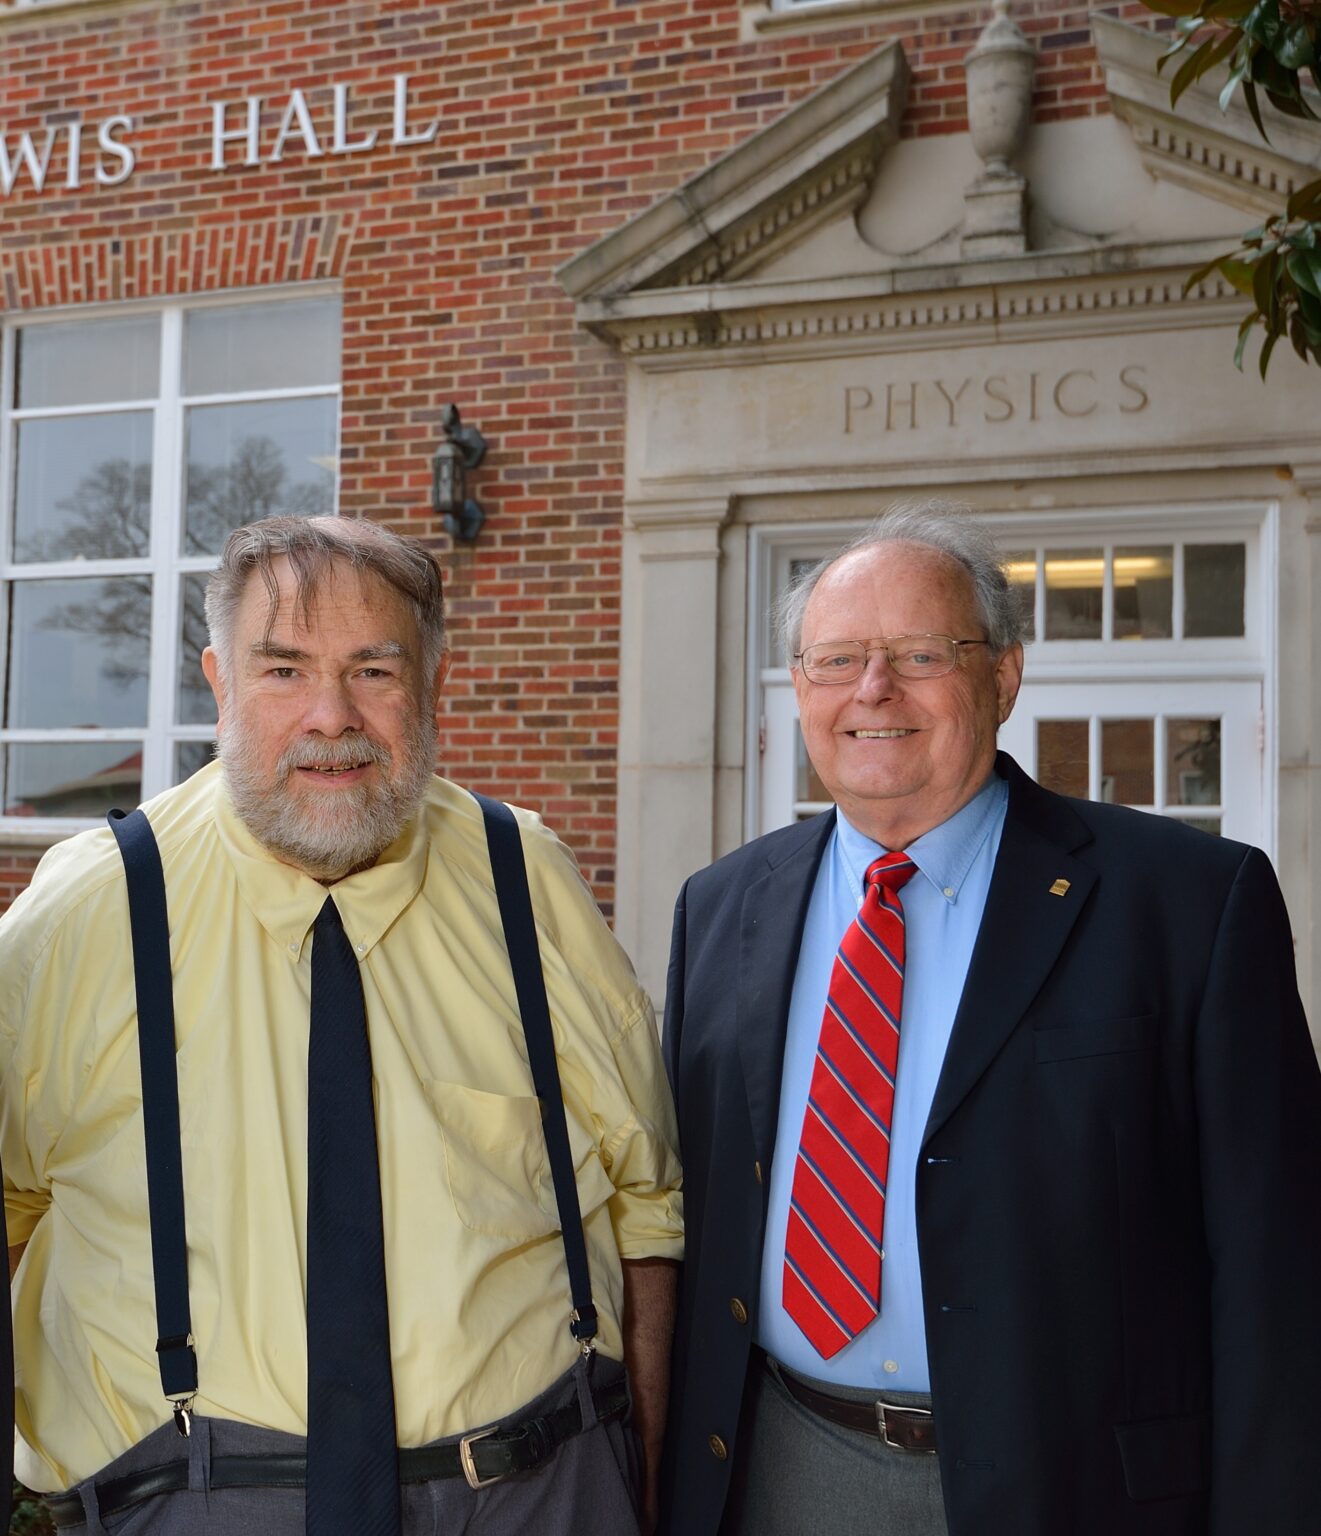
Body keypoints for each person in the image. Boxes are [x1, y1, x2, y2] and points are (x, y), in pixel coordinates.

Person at [1, 514, 683, 1536]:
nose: (331, 717)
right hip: (188, 1504)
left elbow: (645, 1206)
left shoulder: (523, 878)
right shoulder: (82, 912)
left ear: (431, 683)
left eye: (374, 670)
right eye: (282, 671)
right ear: (218, 683)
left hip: (536, 1492)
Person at [659, 503, 1321, 1536]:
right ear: (799, 688)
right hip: (782, 1468)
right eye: (835, 660)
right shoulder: (721, 906)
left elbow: (1276, 1267)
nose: (871, 690)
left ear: (1001, 676)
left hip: (1074, 1486)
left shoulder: (1189, 903)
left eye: (920, 653)